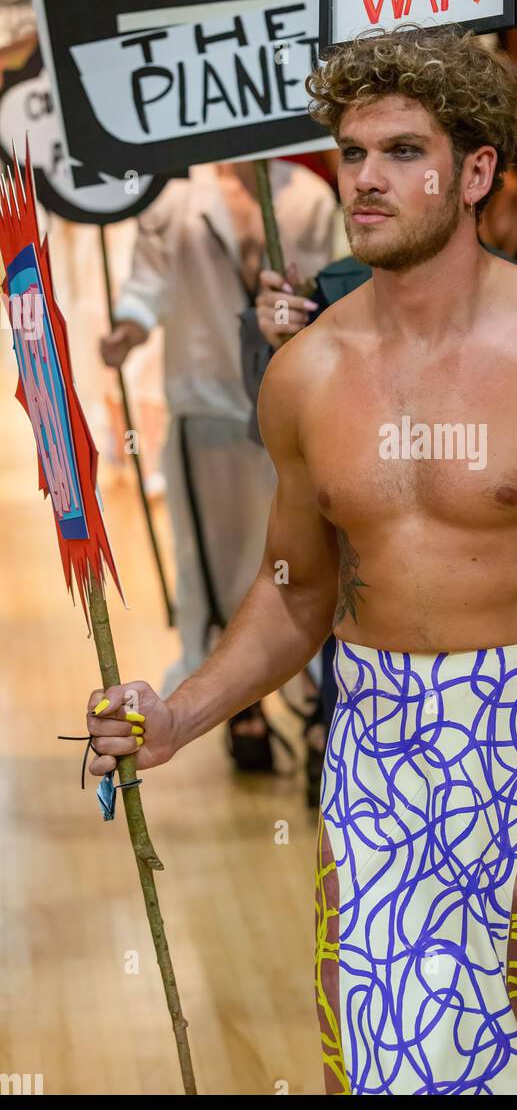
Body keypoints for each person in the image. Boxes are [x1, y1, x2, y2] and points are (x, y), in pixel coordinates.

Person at [85, 26, 517, 1097]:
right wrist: (180, 715)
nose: (366, 179)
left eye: (401, 151)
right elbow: (295, 596)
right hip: (374, 755)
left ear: (474, 171)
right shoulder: (305, 374)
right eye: (351, 153)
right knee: (393, 1070)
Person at [100, 160, 335, 771]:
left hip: (292, 408)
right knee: (211, 558)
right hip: (205, 400)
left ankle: (315, 707)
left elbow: (330, 287)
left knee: (300, 558)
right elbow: (148, 280)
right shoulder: (174, 192)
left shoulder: (308, 196)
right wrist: (128, 328)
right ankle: (243, 715)